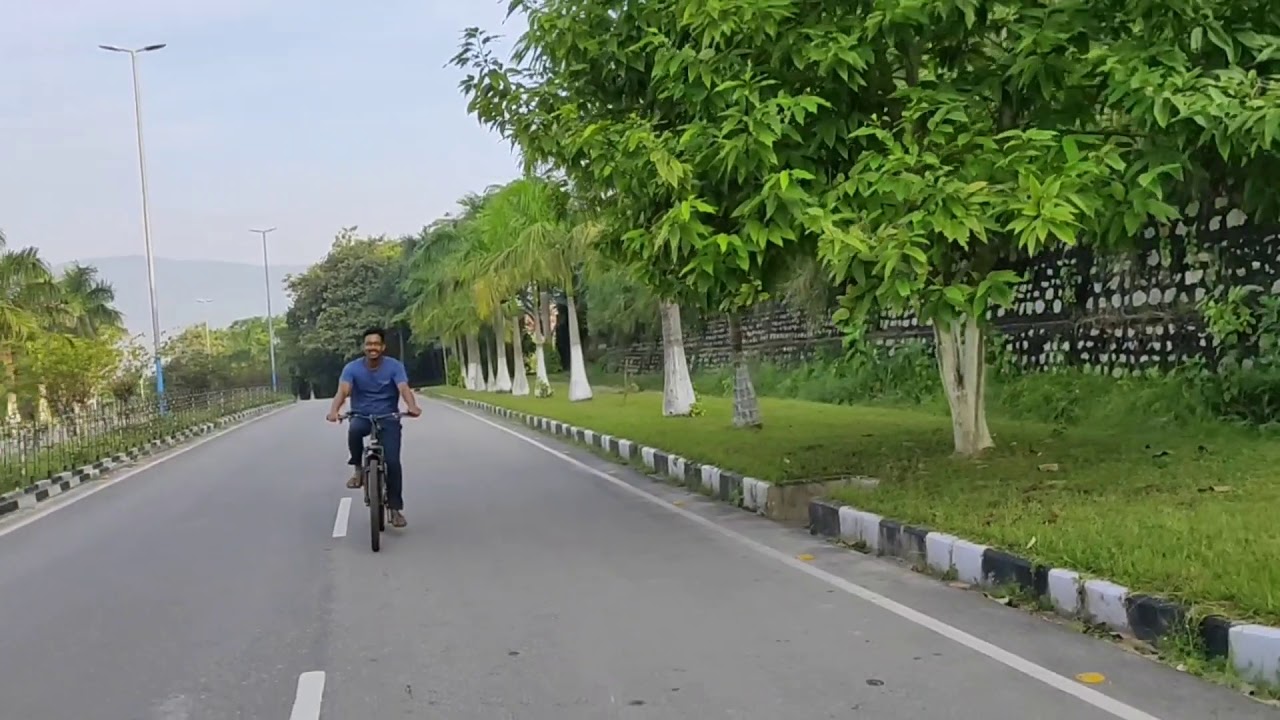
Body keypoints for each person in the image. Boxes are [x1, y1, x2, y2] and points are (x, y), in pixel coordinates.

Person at [326, 327, 422, 528]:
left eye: (376, 344)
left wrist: (411, 406)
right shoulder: (352, 368)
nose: (372, 348)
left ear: (383, 347)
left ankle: (395, 509)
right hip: (362, 415)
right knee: (354, 431)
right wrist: (334, 410)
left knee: (393, 463)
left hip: (388, 417)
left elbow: (403, 388)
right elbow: (343, 391)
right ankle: (358, 469)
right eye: (369, 344)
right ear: (364, 347)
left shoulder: (394, 366)